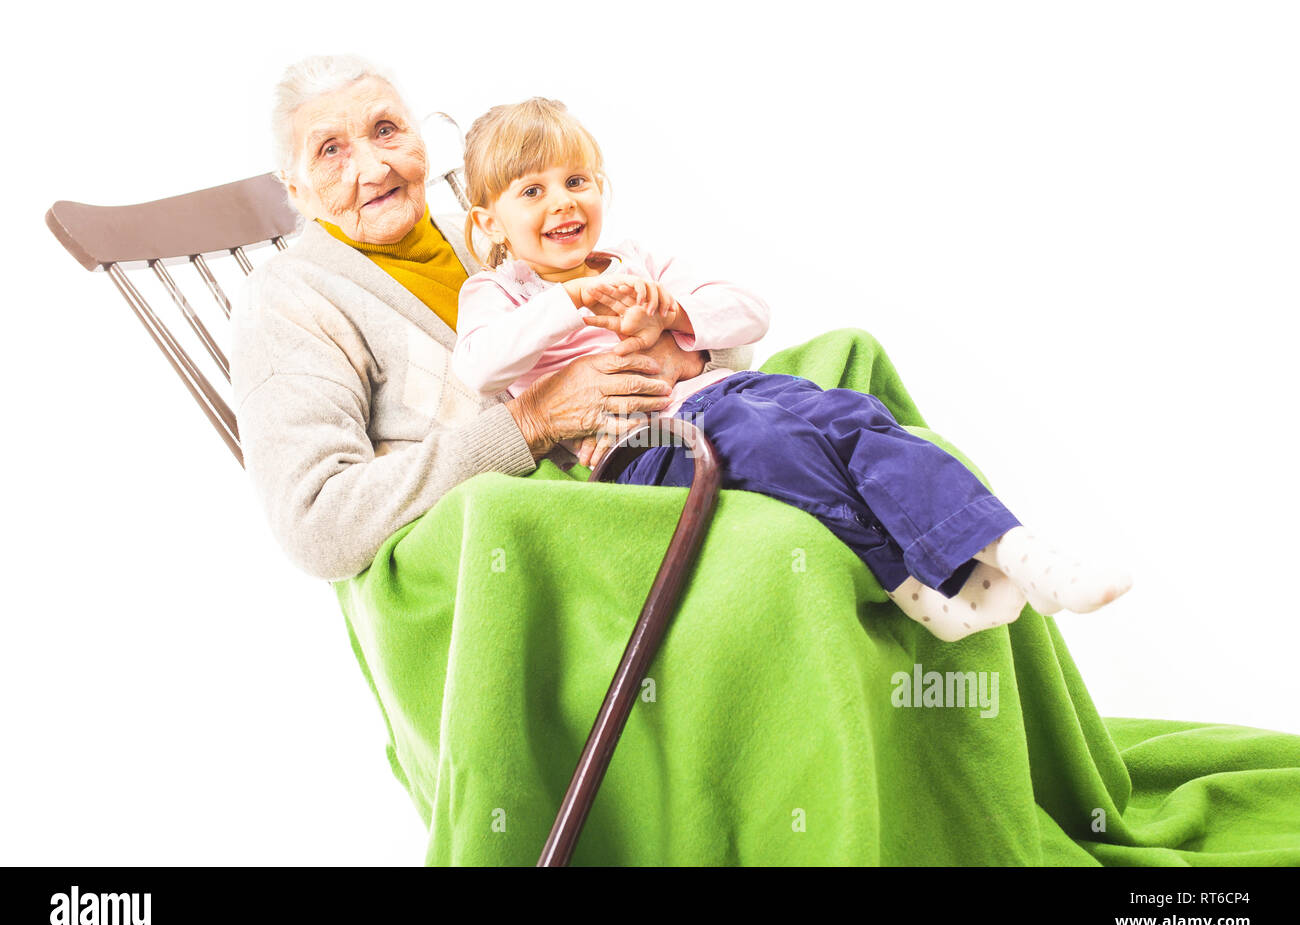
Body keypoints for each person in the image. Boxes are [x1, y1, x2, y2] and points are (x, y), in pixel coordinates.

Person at [451, 97, 1133, 642]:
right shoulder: (503, 293)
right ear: (490, 222)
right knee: (762, 442)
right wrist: (568, 302)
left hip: (728, 391)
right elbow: (480, 365)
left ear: (602, 187)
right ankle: (910, 582)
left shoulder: (639, 263)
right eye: (532, 192)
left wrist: (673, 318)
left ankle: (1010, 546)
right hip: (643, 446)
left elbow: (751, 311)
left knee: (850, 415)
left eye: (576, 182)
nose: (563, 203)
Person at [230, 56, 752, 581]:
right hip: (495, 552)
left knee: (830, 371)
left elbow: (714, 320)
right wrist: (533, 421)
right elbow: (320, 526)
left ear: (421, 141)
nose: (373, 168)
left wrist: (671, 354)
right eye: (330, 150)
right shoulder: (284, 301)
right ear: (293, 188)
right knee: (773, 540)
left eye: (386, 130)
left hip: (641, 455)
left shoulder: (502, 232)